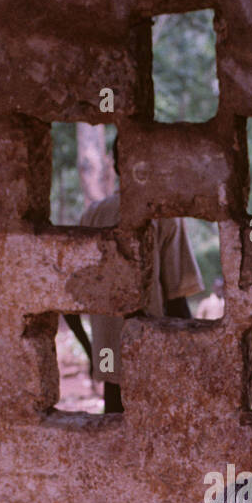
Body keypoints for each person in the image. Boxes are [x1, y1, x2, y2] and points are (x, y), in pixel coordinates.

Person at [77, 139, 204, 413]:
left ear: (116, 163)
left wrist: (93, 352)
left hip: (109, 358)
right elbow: (176, 301)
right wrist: (192, 355)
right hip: (153, 356)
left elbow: (68, 300)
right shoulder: (164, 215)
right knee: (156, 435)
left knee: (115, 431)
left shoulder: (92, 215)